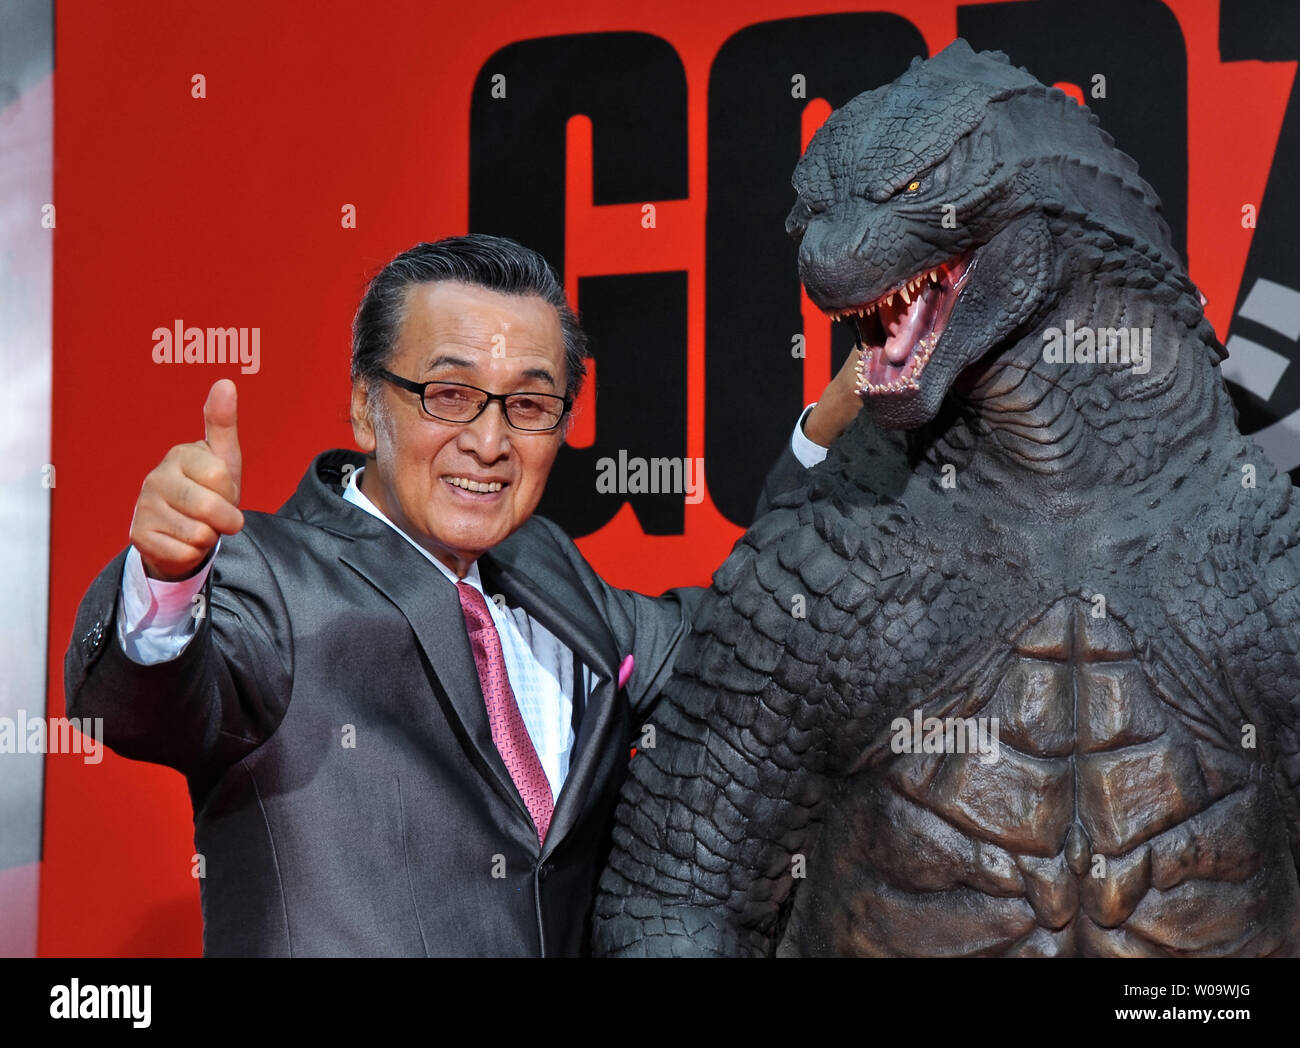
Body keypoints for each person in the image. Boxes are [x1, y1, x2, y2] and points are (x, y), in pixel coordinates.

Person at [64, 234, 861, 956]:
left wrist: (822, 439)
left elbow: (737, 643)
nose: (488, 440)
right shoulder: (267, 579)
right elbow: (142, 703)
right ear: (363, 407)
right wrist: (165, 578)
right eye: (448, 395)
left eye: (529, 404)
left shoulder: (547, 566)